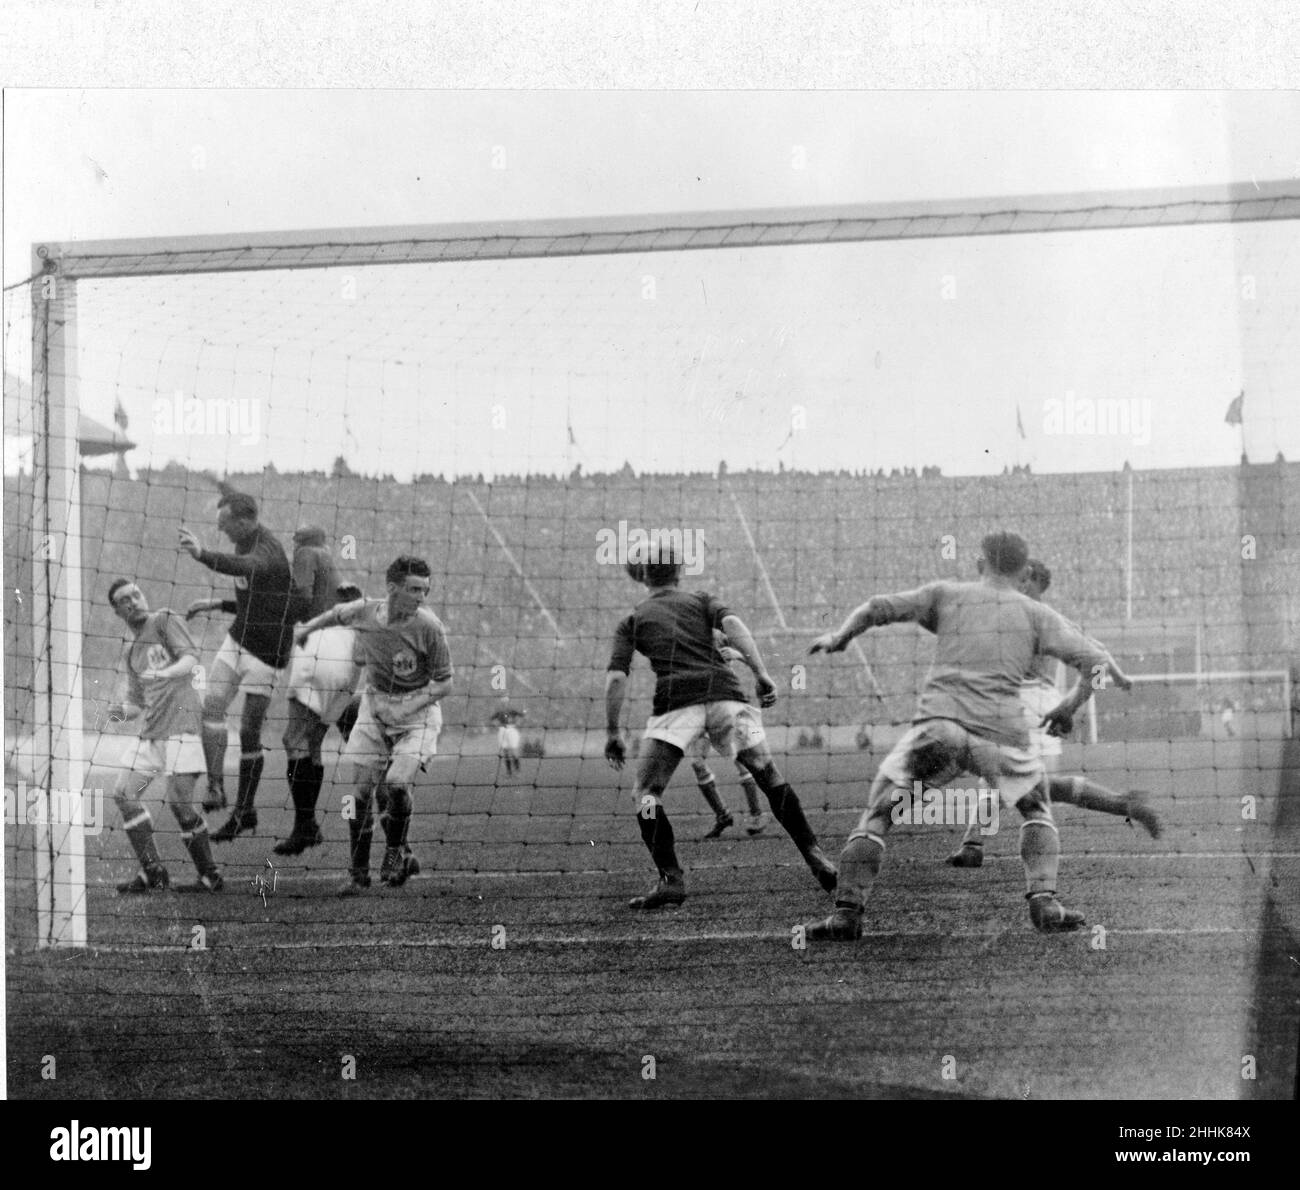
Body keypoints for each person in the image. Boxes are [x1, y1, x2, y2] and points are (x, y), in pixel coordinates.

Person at [804, 531, 1131, 941]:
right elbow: (1097, 662)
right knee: (1035, 808)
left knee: (880, 813)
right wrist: (1070, 706)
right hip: (1001, 734)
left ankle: (847, 914)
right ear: (1025, 569)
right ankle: (1044, 900)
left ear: (980, 564)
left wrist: (840, 638)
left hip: (939, 727)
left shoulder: (946, 594)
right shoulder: (1037, 614)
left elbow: (876, 608)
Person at [604, 548, 837, 910]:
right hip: (727, 695)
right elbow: (735, 627)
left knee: (646, 793)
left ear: (644, 577)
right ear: (679, 573)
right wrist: (761, 674)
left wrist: (612, 731)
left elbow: (617, 678)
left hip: (677, 701)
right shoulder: (702, 600)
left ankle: (671, 879)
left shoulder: (633, 619)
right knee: (770, 776)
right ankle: (814, 854)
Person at [946, 557, 1161, 866]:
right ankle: (973, 845)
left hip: (1026, 702)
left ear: (1033, 582)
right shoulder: (1041, 615)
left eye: (1023, 578)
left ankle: (1122, 804)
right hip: (1030, 702)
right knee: (1011, 780)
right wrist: (1118, 675)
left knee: (1029, 788)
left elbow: (1094, 651)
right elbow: (1097, 650)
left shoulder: (1026, 614)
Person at [295, 555, 453, 895]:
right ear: (392, 588)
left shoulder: (429, 627)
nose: (420, 597)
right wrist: (304, 632)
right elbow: (333, 615)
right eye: (413, 589)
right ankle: (358, 874)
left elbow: (444, 683)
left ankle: (396, 853)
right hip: (375, 706)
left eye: (425, 590)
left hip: (418, 716)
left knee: (397, 784)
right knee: (361, 793)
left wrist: (408, 706)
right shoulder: (366, 612)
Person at [180, 488, 299, 841]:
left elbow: (250, 569)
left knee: (249, 732)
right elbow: (256, 601)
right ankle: (216, 787)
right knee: (211, 706)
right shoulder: (243, 542)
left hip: (267, 652)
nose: (223, 532)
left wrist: (202, 555)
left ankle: (244, 812)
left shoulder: (268, 551)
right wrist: (216, 604)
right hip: (239, 638)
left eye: (225, 524)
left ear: (246, 520)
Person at [106, 578, 224, 894]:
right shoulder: (131, 653)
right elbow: (136, 704)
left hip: (182, 729)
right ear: (117, 611)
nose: (133, 601)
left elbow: (189, 660)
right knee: (124, 794)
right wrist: (113, 713)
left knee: (180, 805)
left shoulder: (164, 620)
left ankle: (209, 876)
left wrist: (164, 672)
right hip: (151, 736)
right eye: (124, 600)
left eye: (136, 594)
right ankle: (153, 871)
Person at [275, 575, 365, 856]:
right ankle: (308, 824)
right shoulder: (359, 613)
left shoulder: (311, 598)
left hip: (319, 656)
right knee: (313, 744)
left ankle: (305, 825)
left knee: (294, 739)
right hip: (349, 671)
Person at [692, 632, 766, 839]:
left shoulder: (721, 637)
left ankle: (756, 815)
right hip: (700, 711)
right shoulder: (690, 641)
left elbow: (750, 652)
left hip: (728, 709)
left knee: (744, 761)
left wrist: (739, 655)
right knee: (697, 763)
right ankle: (723, 815)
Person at [490, 699, 526, 776]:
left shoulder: (512, 711)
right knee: (505, 751)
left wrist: (518, 723)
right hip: (502, 730)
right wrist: (497, 726)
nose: (505, 704)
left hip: (511, 729)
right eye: (503, 702)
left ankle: (517, 770)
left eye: (506, 702)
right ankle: (509, 772)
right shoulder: (499, 713)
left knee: (514, 750)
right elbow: (492, 720)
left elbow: (522, 716)